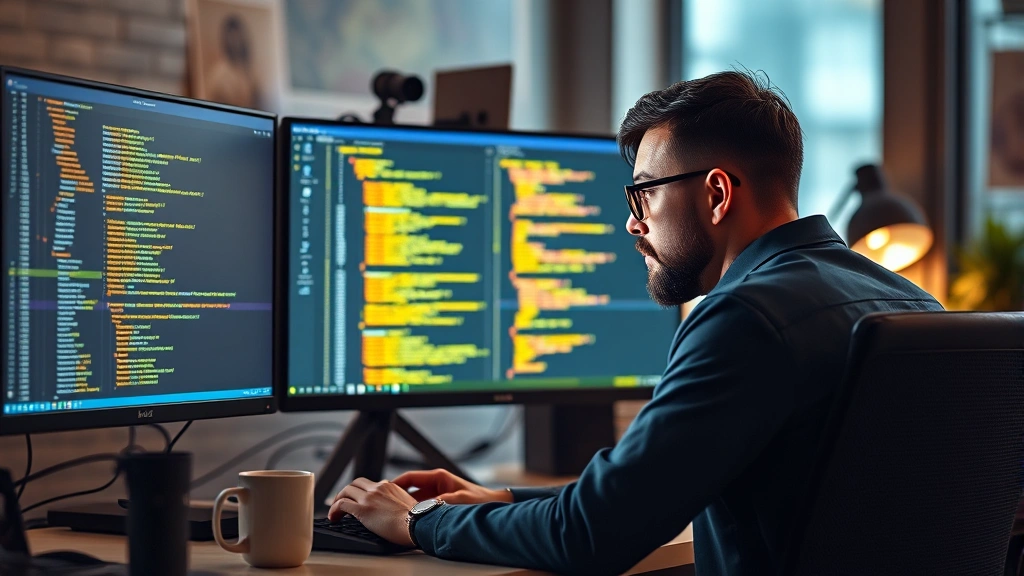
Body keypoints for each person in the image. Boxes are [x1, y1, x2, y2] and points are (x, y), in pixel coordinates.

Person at [325, 70, 944, 576]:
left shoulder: (746, 318)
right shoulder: (912, 304)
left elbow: (595, 535)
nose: (632, 223)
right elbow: (652, 494)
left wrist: (416, 522)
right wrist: (505, 498)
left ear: (717, 193)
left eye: (643, 192)